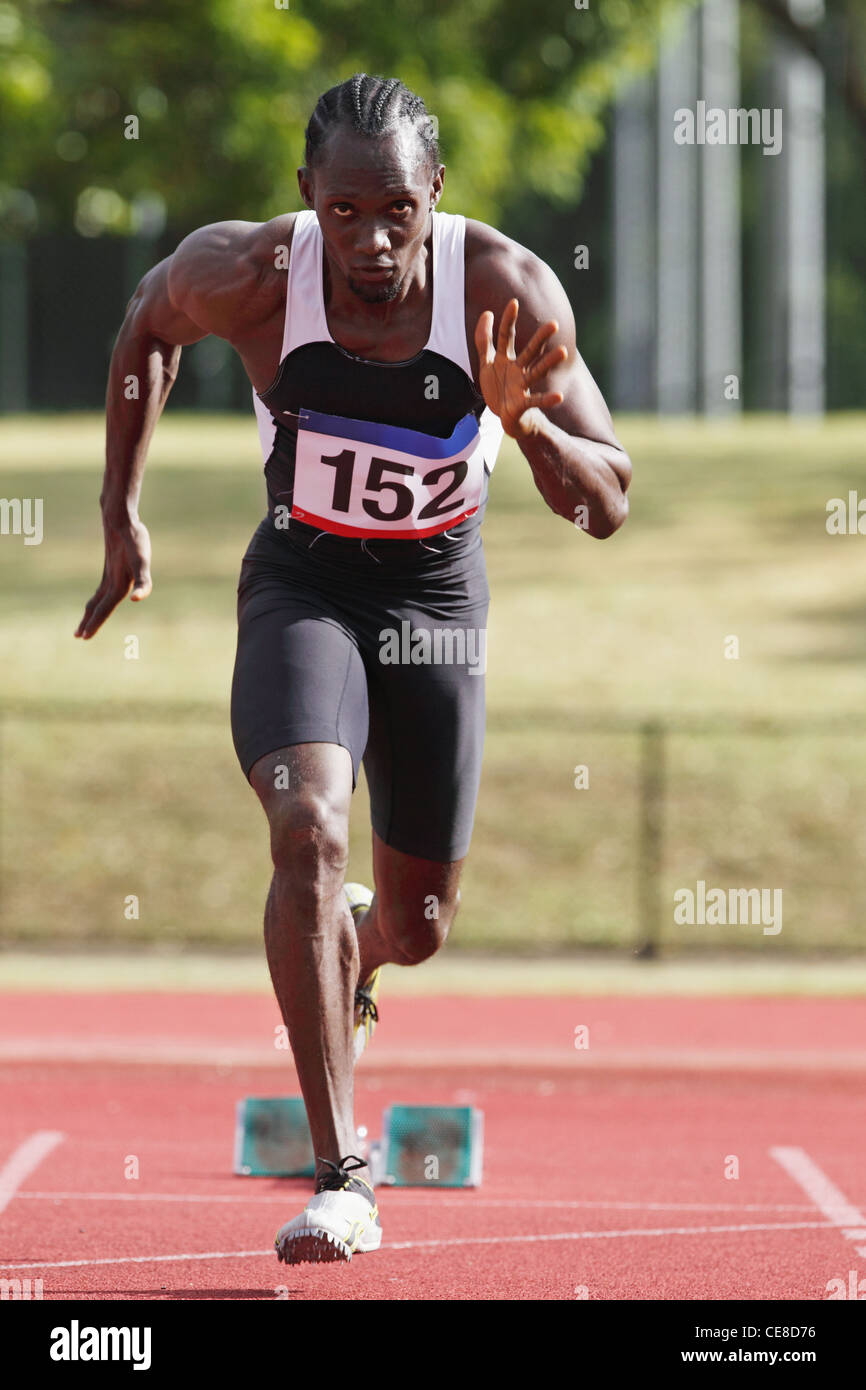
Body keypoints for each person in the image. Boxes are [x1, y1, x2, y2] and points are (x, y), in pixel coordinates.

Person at [75, 73, 631, 1265]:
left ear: (436, 192)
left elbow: (610, 503)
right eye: (343, 214)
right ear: (303, 200)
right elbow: (143, 327)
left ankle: (363, 949)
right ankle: (343, 1175)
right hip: (304, 583)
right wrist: (120, 511)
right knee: (308, 829)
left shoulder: (502, 289)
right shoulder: (250, 274)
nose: (371, 244)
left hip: (434, 599)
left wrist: (522, 423)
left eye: (396, 211)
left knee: (421, 923)